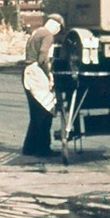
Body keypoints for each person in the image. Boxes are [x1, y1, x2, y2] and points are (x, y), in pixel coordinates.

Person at [22, 13, 64, 157]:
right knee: (45, 112)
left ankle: (29, 148)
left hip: (28, 71)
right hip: (37, 73)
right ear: (57, 26)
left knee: (36, 113)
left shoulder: (37, 32)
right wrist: (49, 74)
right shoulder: (47, 35)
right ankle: (43, 148)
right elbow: (43, 57)